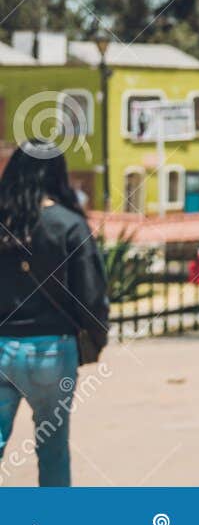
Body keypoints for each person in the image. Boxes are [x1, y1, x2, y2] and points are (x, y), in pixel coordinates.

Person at [0, 146, 111, 487]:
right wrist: (94, 341)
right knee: (53, 449)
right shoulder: (69, 226)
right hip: (54, 350)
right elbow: (92, 296)